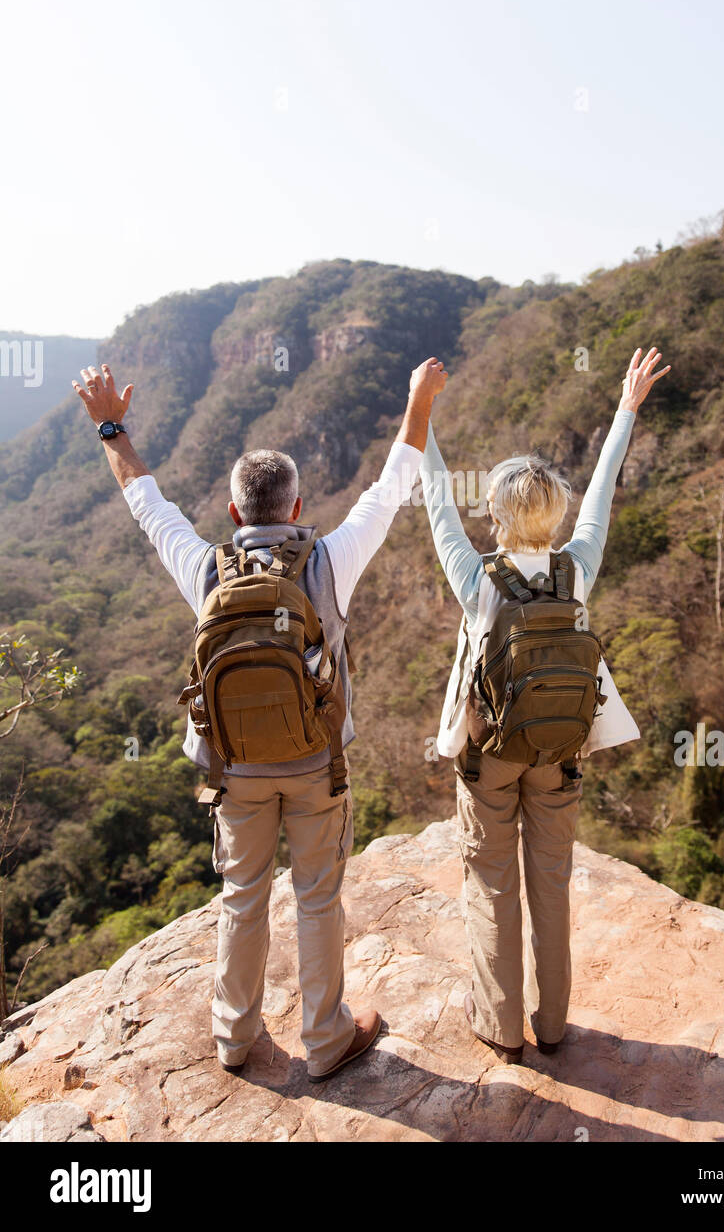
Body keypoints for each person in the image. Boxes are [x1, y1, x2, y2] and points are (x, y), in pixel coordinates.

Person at [72, 355, 448, 1081]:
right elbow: (393, 480)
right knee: (317, 896)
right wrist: (419, 400)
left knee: (241, 896)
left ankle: (234, 1038)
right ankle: (325, 1037)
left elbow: (145, 502)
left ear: (236, 513)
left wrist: (109, 423)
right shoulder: (330, 562)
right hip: (315, 766)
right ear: (298, 509)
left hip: (234, 768)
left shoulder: (207, 569)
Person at [418, 346, 669, 1063]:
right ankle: (553, 1024)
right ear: (556, 516)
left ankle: (500, 1029)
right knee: (551, 886)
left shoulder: (477, 577)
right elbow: (605, 491)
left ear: (495, 515)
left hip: (489, 755)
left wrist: (422, 417)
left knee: (492, 884)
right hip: (559, 749)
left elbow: (436, 496)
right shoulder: (576, 568)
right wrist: (625, 409)